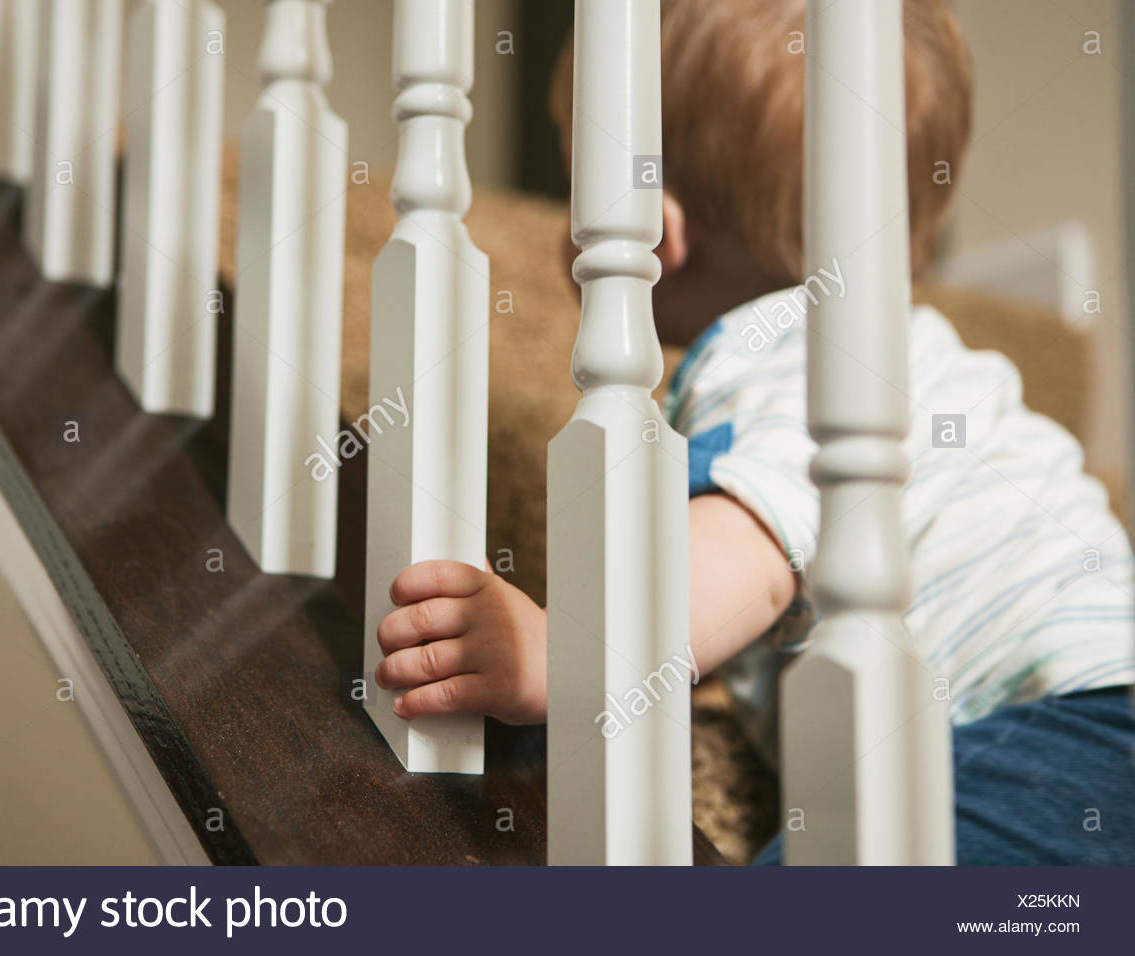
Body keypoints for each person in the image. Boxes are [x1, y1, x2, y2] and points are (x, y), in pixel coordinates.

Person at [372, 0, 1135, 864]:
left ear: (654, 230)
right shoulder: (887, 348)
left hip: (1067, 736)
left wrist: (563, 650)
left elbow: (751, 551)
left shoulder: (778, 355)